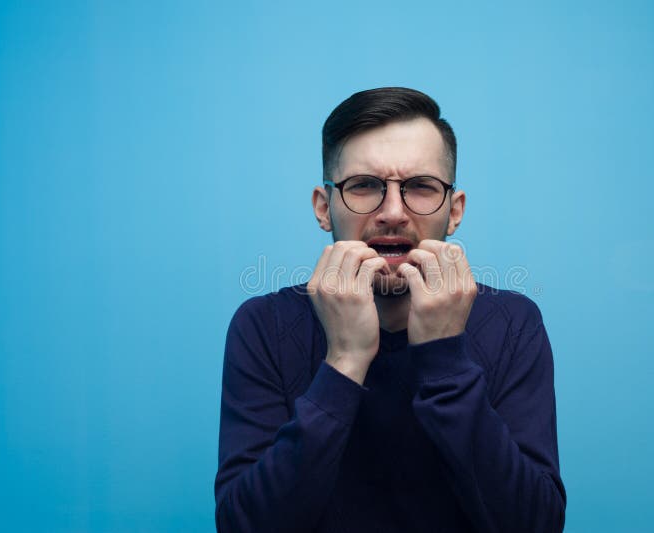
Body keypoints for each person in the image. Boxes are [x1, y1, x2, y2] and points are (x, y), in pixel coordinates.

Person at [214, 87, 566, 532]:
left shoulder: (514, 324)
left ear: (454, 212)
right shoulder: (263, 326)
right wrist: (343, 362)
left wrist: (445, 358)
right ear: (324, 208)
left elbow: (535, 525)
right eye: (363, 186)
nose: (394, 213)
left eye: (421, 187)